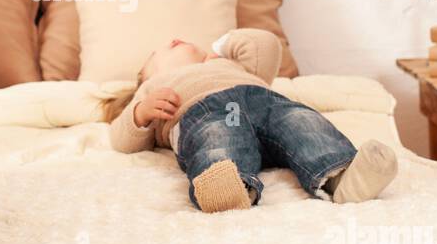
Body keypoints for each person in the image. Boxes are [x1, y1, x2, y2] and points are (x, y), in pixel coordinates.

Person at [102, 28, 398, 211]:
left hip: (265, 103)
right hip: (207, 109)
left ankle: (343, 177)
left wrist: (220, 46)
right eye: (165, 49)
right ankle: (229, 189)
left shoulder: (230, 64)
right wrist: (140, 113)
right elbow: (122, 139)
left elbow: (266, 45)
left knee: (302, 123)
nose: (174, 39)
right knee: (217, 138)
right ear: (150, 73)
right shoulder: (154, 88)